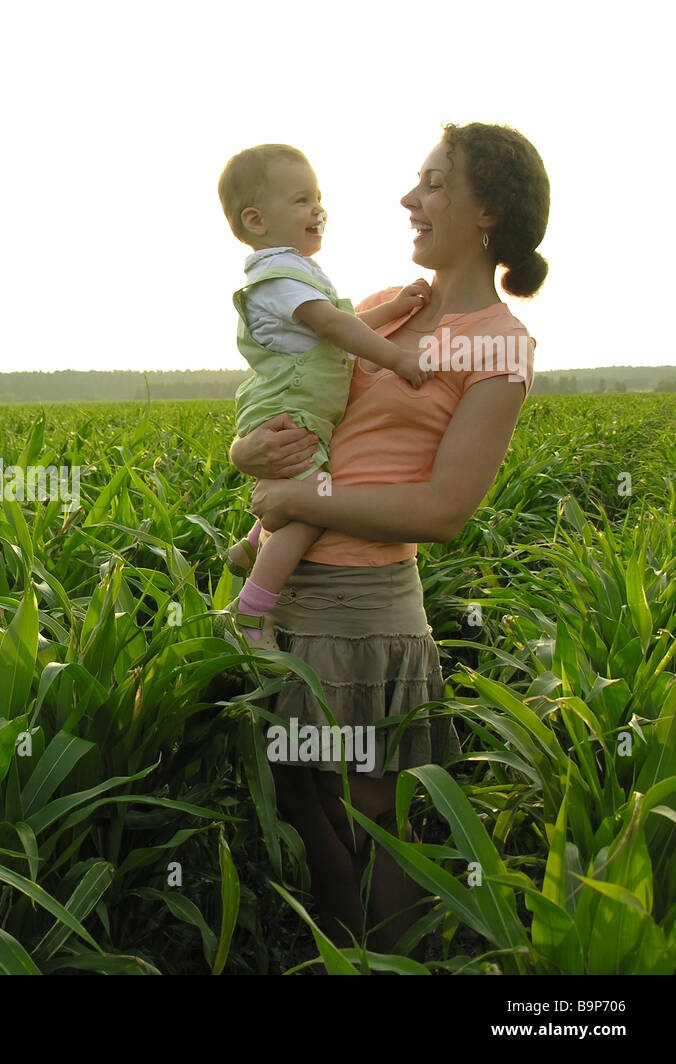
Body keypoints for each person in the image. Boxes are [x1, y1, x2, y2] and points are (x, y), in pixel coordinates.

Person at [228, 122, 549, 953]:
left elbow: (444, 509)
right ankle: (346, 955)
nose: (411, 198)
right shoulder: (379, 309)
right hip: (292, 590)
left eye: (435, 183)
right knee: (304, 797)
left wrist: (303, 500)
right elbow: (297, 410)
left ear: (491, 209)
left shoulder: (500, 346)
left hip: (365, 612)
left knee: (370, 814)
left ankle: (397, 960)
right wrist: (245, 454)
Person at [216, 144, 433, 651]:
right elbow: (336, 326)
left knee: (310, 489)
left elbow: (339, 325)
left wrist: (395, 308)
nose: (318, 210)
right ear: (256, 219)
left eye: (318, 199)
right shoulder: (277, 278)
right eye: (301, 201)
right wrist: (397, 357)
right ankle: (250, 612)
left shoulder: (297, 271)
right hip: (287, 409)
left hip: (296, 407)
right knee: (313, 508)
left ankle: (251, 546)